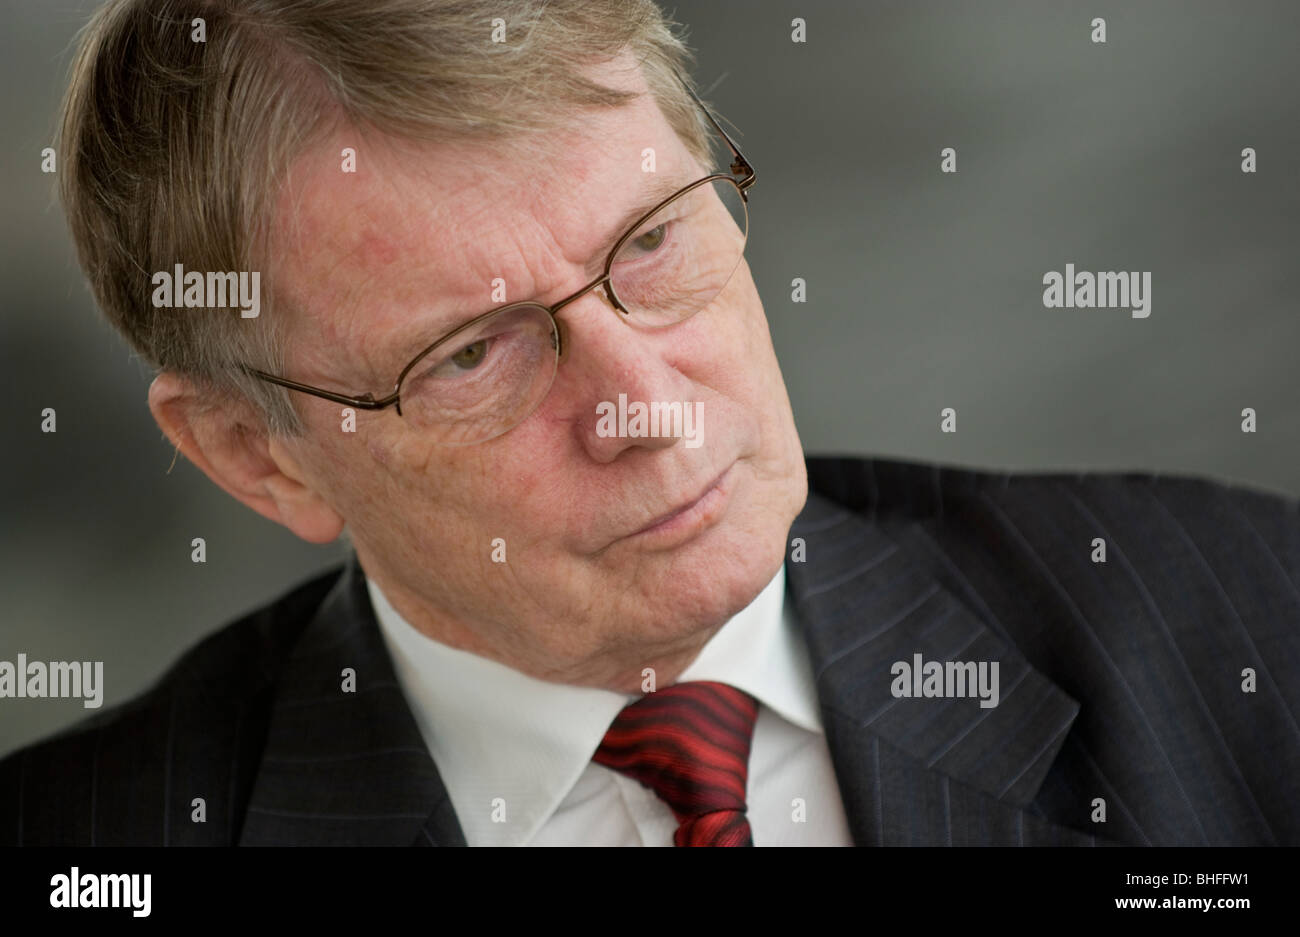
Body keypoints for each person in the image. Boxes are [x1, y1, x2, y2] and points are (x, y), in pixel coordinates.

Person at [3, 0, 1298, 847]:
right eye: (469, 354)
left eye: (654, 239)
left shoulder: (1252, 628)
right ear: (256, 452)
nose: (651, 405)